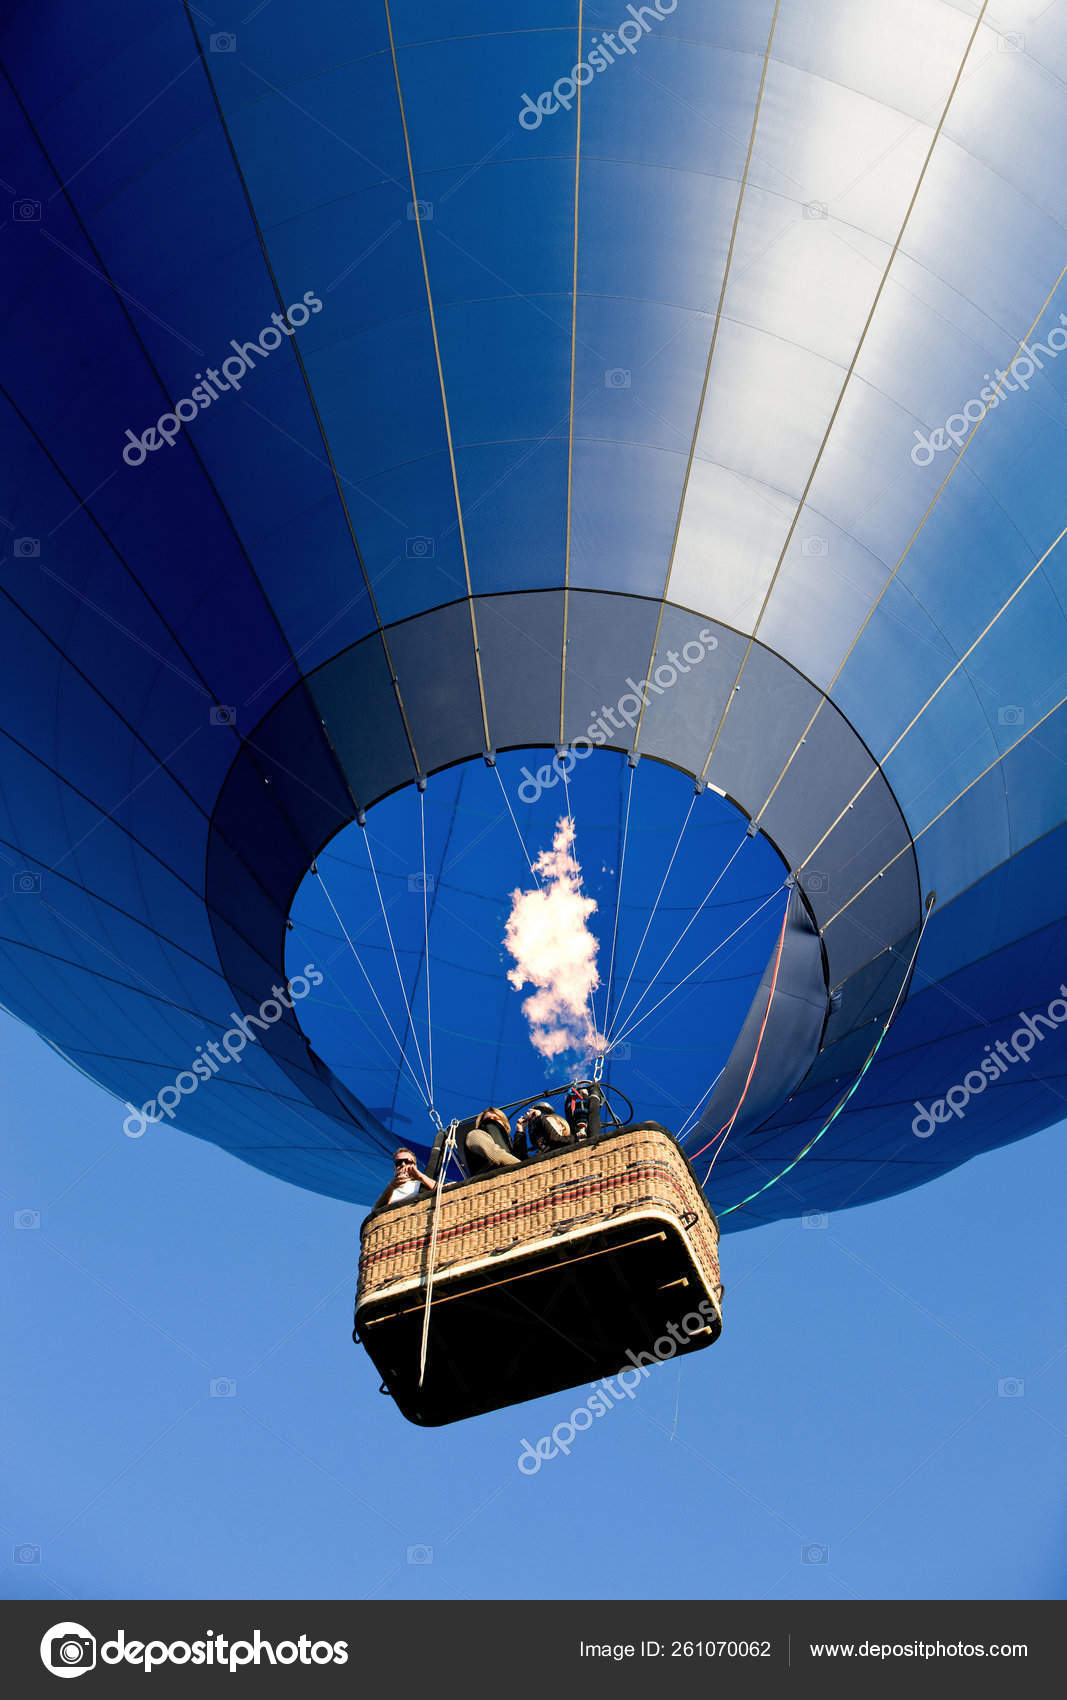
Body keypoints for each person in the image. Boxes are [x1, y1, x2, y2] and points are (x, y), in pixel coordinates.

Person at [371, 1147, 437, 1213]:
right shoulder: (389, 1192)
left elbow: (442, 1190)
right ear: (395, 1169)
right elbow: (375, 1211)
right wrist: (391, 1186)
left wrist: (420, 1176)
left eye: (408, 1161)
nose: (403, 1164)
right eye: (398, 1163)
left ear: (415, 1166)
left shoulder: (424, 1183)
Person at [464, 1107, 523, 1174]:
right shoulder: (474, 1134)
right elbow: (495, 1155)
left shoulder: (509, 1143)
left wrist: (520, 1132)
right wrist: (524, 1167)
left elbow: (519, 1157)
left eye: (495, 1119)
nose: (492, 1121)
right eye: (488, 1119)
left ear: (504, 1124)